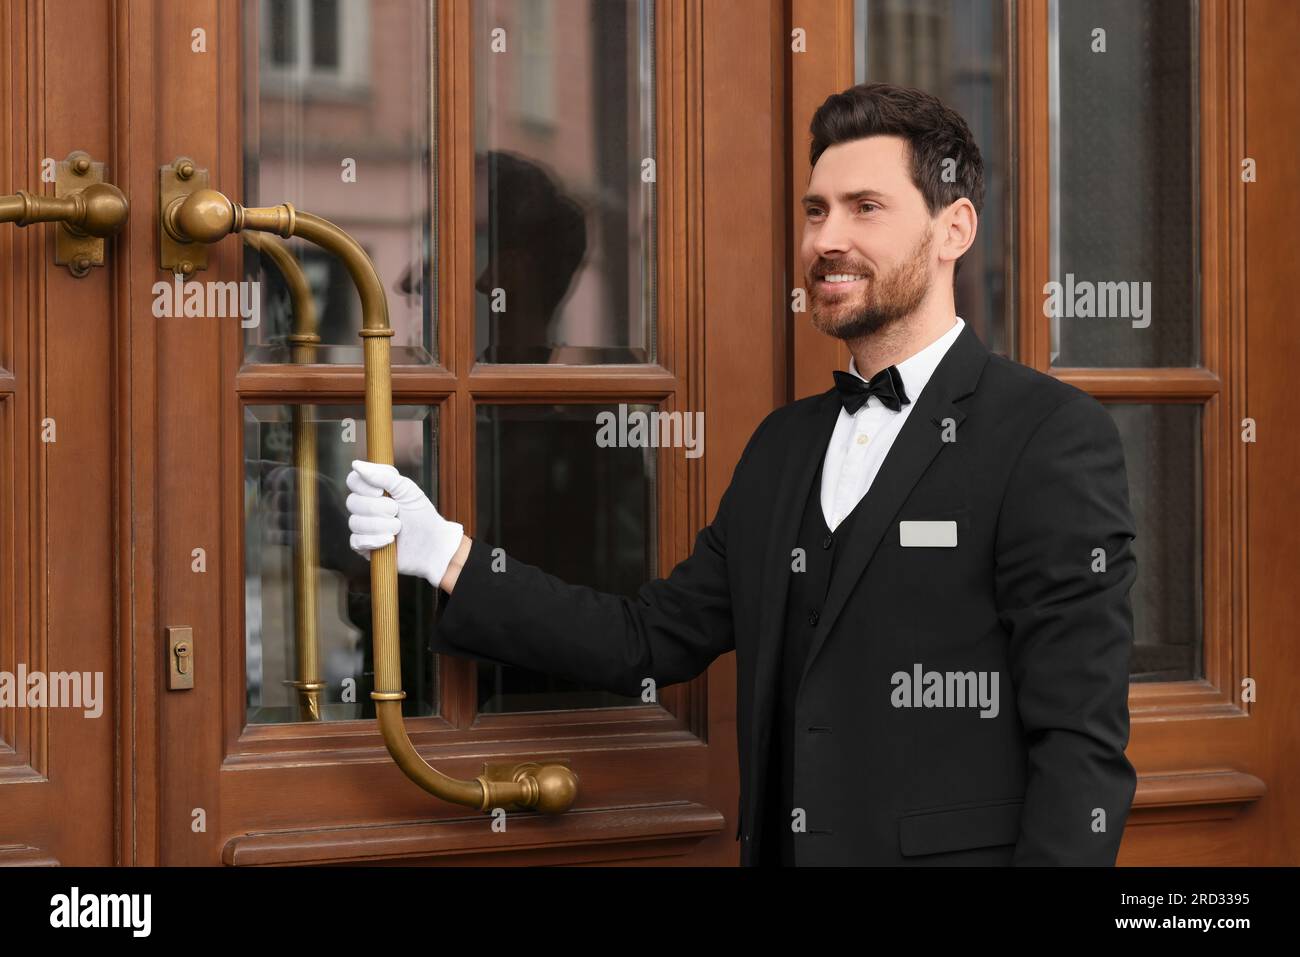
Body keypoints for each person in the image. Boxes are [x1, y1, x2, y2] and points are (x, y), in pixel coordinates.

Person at [346, 82, 1139, 866]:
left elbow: (1080, 746)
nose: (827, 238)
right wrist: (449, 554)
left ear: (953, 229)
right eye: (816, 210)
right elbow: (647, 638)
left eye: (866, 207)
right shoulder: (783, 447)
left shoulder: (1050, 436)